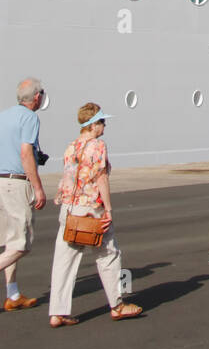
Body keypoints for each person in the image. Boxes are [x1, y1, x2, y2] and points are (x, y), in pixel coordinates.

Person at [47, 104, 142, 326]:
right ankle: (117, 305)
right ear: (92, 124)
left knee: (64, 261)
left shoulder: (71, 147)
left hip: (69, 209)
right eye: (102, 122)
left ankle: (57, 312)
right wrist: (108, 208)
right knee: (109, 254)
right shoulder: (98, 146)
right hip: (91, 210)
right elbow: (101, 178)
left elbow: (68, 176)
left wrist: (63, 197)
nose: (104, 126)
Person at [0, 78, 47, 309]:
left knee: (7, 242)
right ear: (37, 96)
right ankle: (12, 295)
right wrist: (37, 187)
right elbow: (26, 153)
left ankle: (13, 294)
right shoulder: (30, 118)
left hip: (0, 182)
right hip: (16, 183)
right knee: (21, 244)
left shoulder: (3, 115)